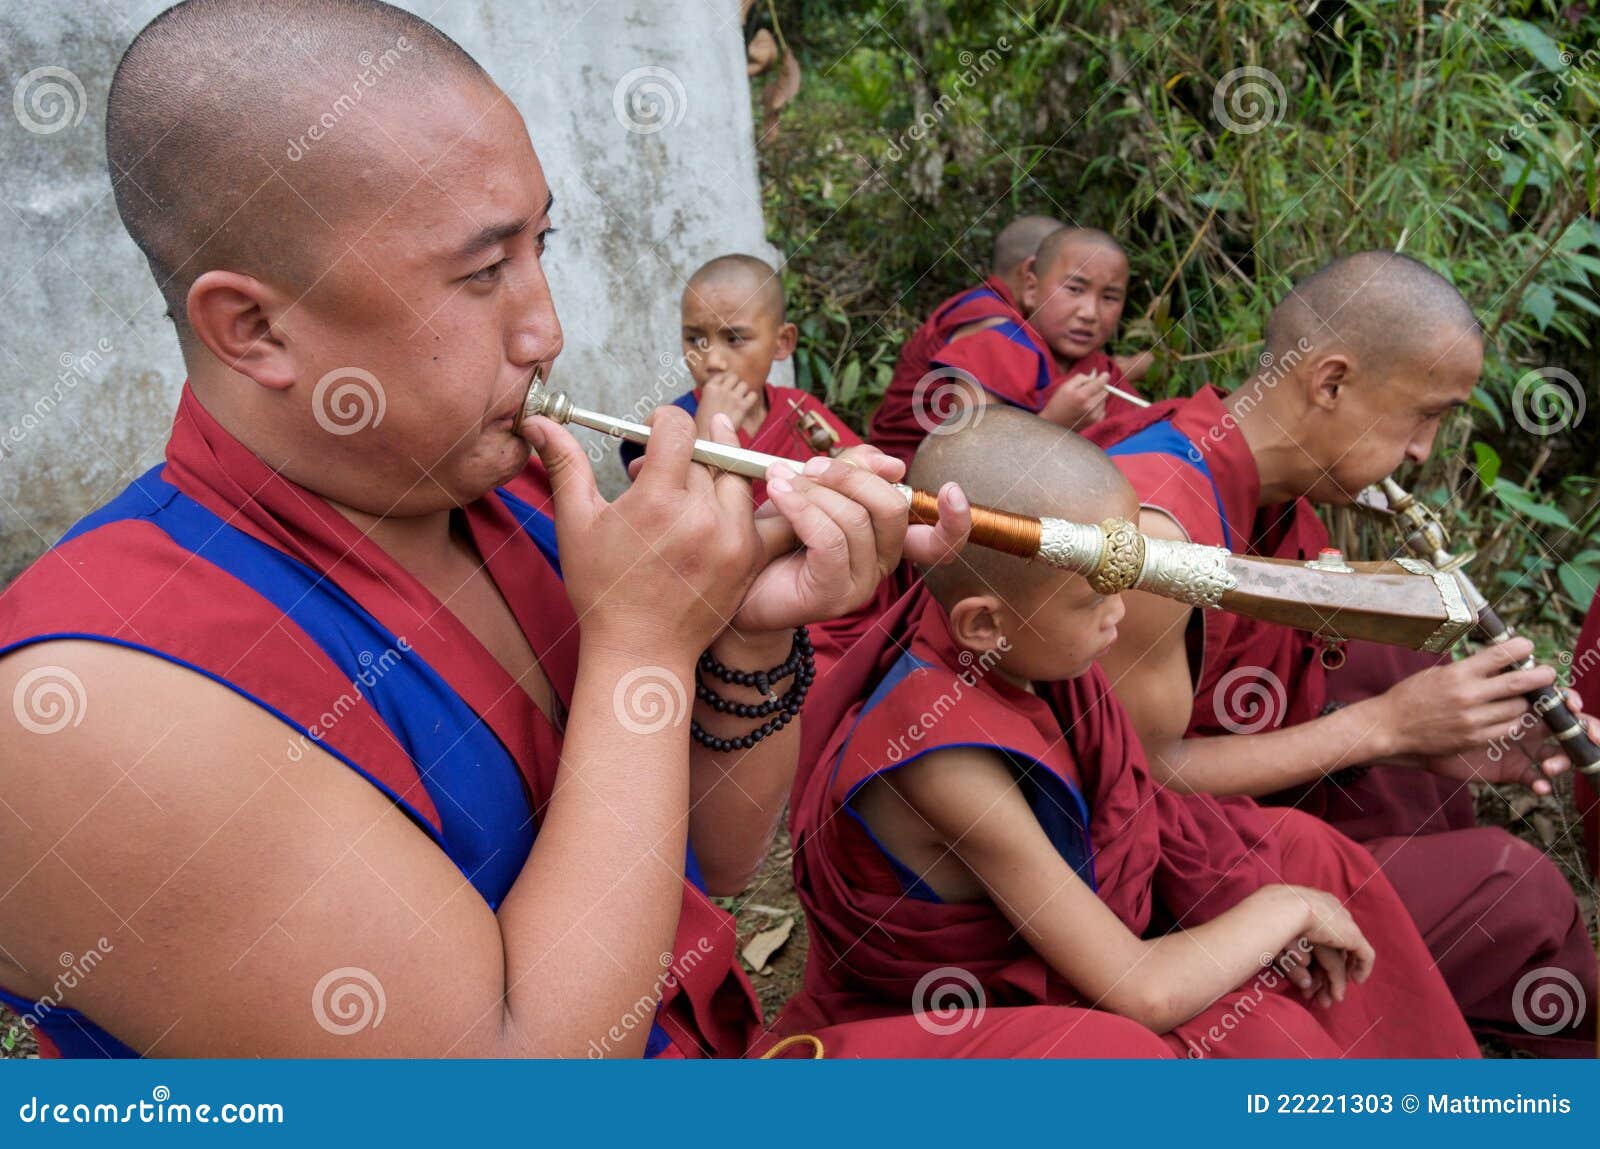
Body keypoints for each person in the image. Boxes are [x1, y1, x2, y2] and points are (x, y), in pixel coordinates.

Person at [0, 0, 971, 1059]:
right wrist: (640, 646)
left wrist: (736, 637)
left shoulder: (499, 498)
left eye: (539, 246)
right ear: (256, 329)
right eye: (480, 273)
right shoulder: (93, 708)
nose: (546, 329)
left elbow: (715, 863)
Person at [776, 408, 1478, 1059]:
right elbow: (1141, 989)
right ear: (983, 625)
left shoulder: (1024, 647)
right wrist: (1285, 907)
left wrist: (1261, 902)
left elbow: (1130, 801)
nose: (1120, 614)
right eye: (1094, 596)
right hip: (948, 1017)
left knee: (1308, 852)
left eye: (1129, 576)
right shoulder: (944, 761)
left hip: (1074, 936)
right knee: (1262, 1028)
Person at [1090, 250, 1599, 1056]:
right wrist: (1384, 729)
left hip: (1231, 813)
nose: (1425, 451)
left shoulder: (1276, 498)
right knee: (1521, 892)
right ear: (1329, 382)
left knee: (1394, 673)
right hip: (1141, 883)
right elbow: (1142, 777)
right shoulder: (1162, 532)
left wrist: (1446, 740)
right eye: (1426, 414)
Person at [869, 224, 1148, 466]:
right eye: (1074, 289)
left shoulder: (1094, 367)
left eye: (1110, 297)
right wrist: (1053, 423)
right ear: (1030, 283)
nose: (1089, 312)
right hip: (917, 486)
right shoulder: (996, 338)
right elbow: (961, 461)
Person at [617, 254, 858, 504]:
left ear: (782, 342)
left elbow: (853, 473)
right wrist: (704, 434)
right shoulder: (674, 422)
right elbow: (670, 520)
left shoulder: (797, 407)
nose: (712, 362)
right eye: (695, 340)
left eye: (734, 339)